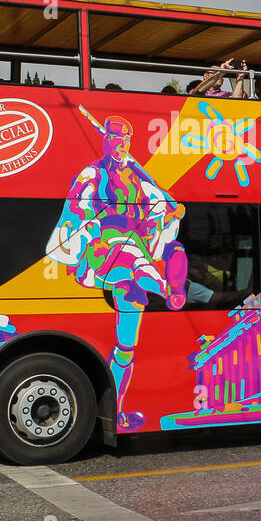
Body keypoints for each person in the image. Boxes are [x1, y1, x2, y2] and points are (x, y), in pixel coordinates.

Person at [46, 112, 186, 430]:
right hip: (106, 249)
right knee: (135, 260)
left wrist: (170, 208)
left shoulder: (138, 177)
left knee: (125, 348)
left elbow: (157, 207)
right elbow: (78, 208)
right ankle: (166, 288)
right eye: (114, 138)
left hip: (132, 248)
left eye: (124, 140)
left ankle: (117, 411)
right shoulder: (93, 174)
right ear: (105, 140)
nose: (120, 145)